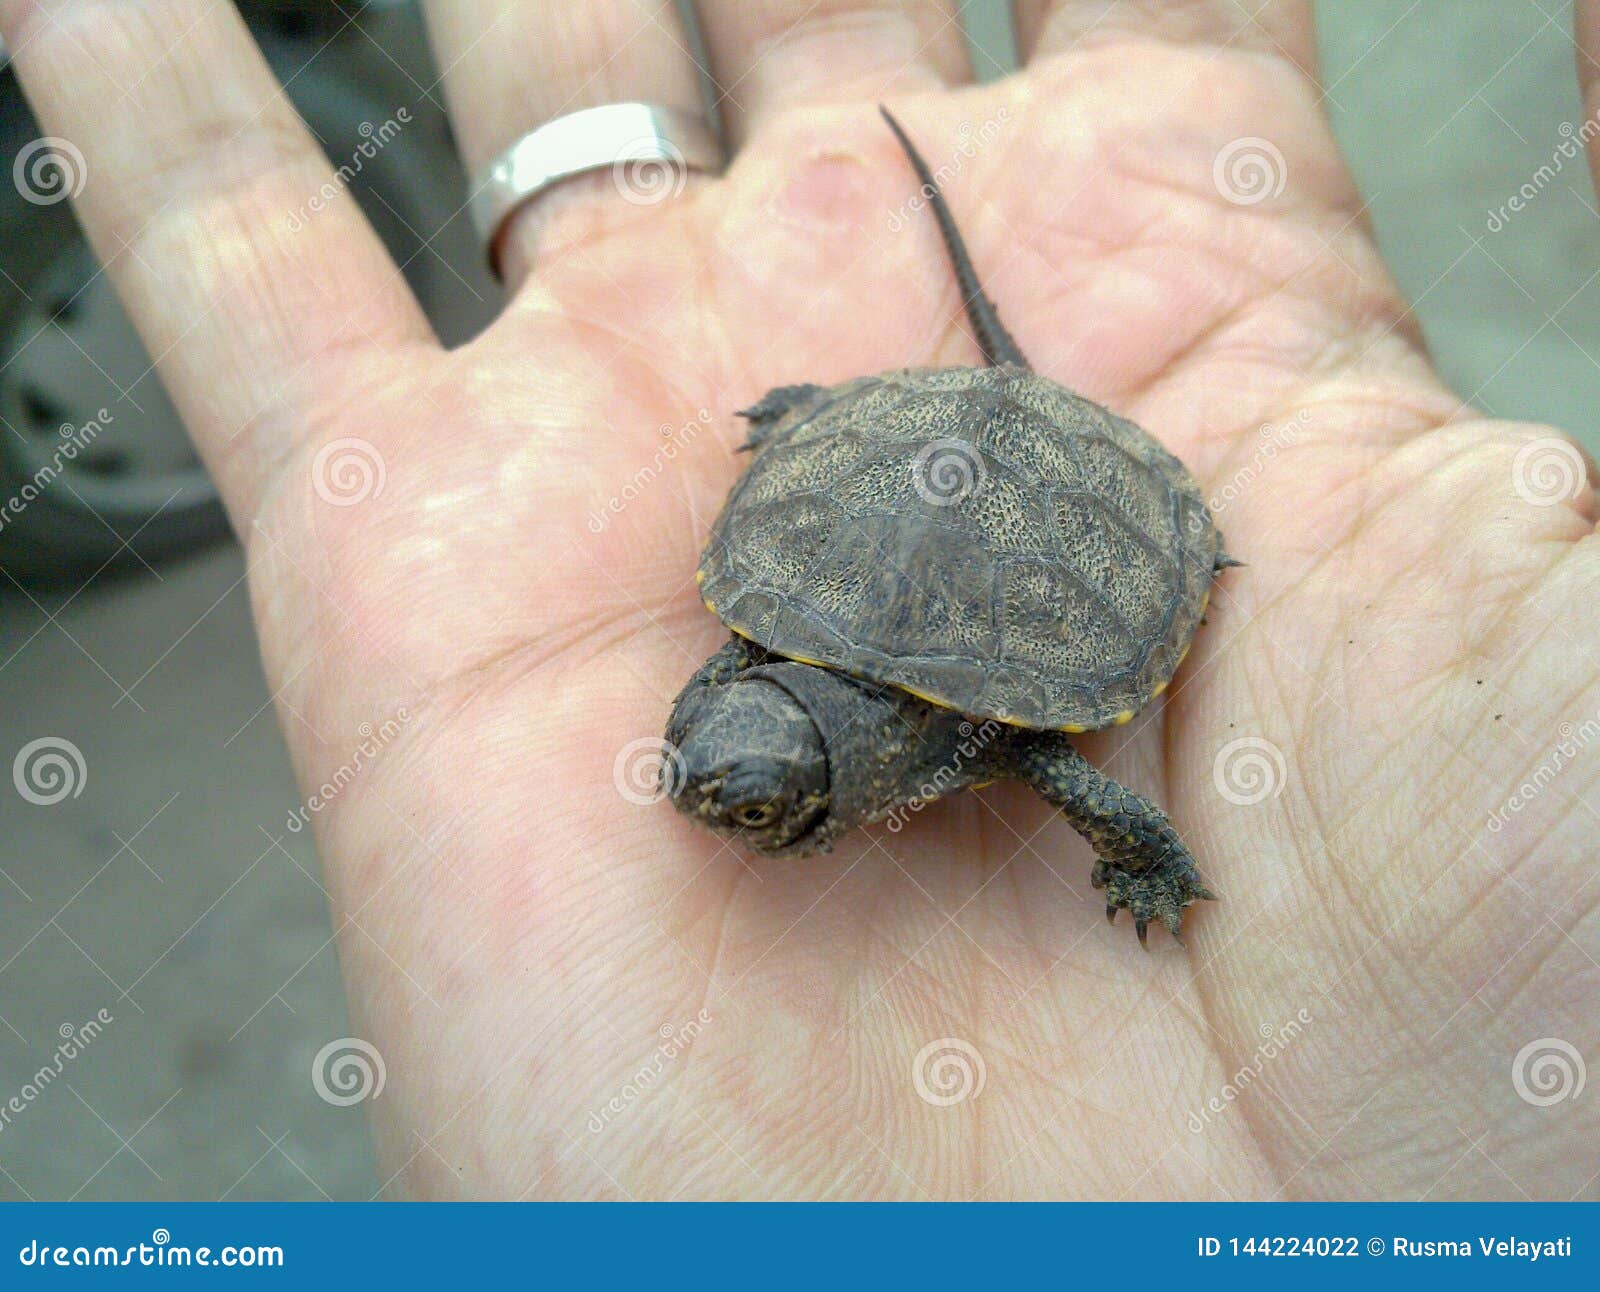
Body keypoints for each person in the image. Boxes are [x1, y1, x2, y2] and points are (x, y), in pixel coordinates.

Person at [5, 0, 1596, 1200]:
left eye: (738, 797)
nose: (701, 794)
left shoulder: (992, 734)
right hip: (899, 480)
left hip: (1065, 489)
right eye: (721, 771)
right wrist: (818, 425)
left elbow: (1097, 792)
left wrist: (1152, 861)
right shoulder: (779, 637)